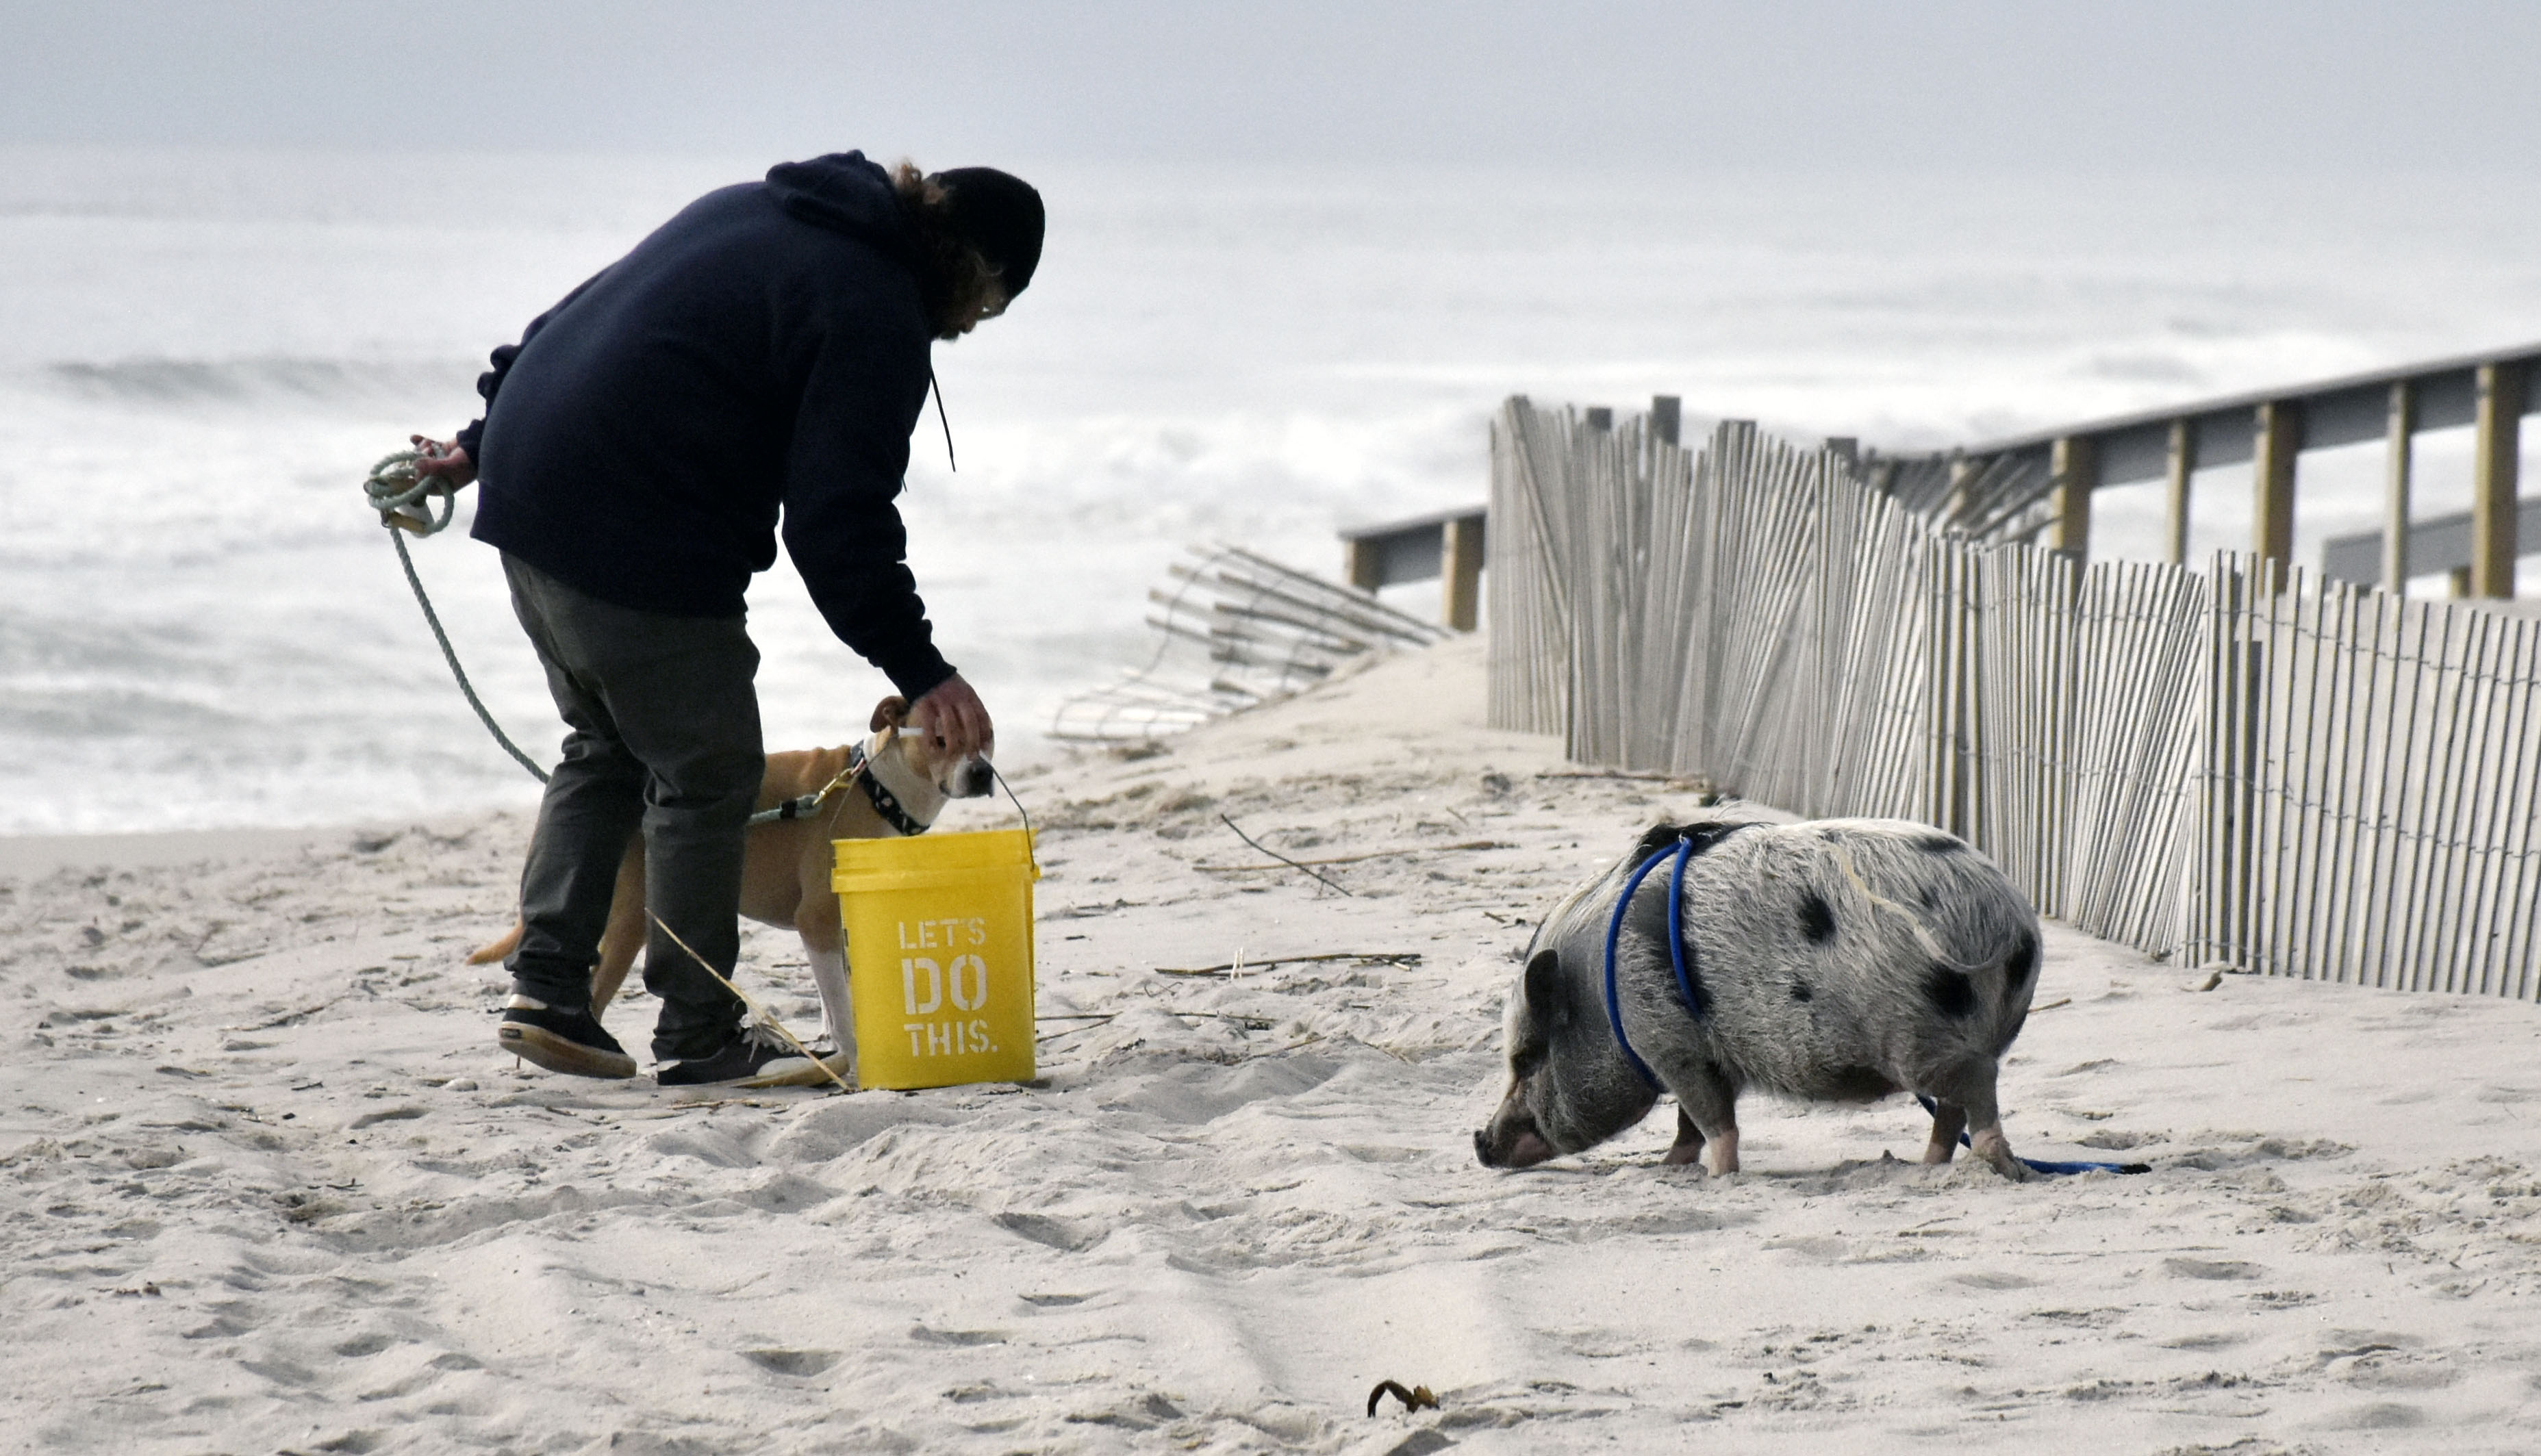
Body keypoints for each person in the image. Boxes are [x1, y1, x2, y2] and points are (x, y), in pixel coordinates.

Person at [409, 153, 1041, 1086]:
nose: (969, 328)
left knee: (606, 741)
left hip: (530, 484)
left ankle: (549, 990)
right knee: (707, 770)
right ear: (976, 271)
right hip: (637, 527)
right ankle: (698, 1030)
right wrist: (922, 669)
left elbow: (573, 318)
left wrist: (479, 439)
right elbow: (839, 525)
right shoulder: (874, 308)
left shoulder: (754, 209)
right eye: (989, 308)